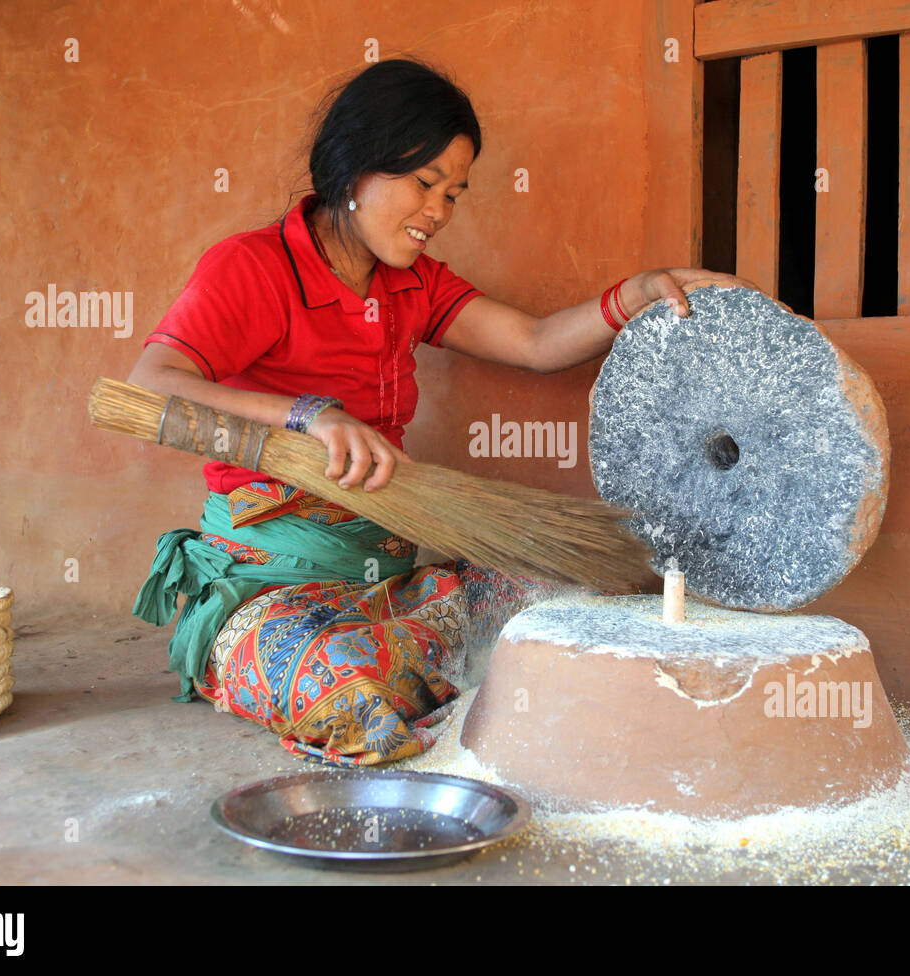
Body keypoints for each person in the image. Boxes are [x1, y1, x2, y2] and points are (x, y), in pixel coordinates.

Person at [128, 56, 740, 767]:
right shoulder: (256, 268)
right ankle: (358, 675)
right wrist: (306, 416)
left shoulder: (413, 285)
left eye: (454, 193)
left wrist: (633, 295)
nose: (439, 212)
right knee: (348, 689)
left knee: (578, 603)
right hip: (270, 591)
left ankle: (421, 672)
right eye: (424, 184)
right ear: (355, 166)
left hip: (387, 583)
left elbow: (535, 343)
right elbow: (152, 386)